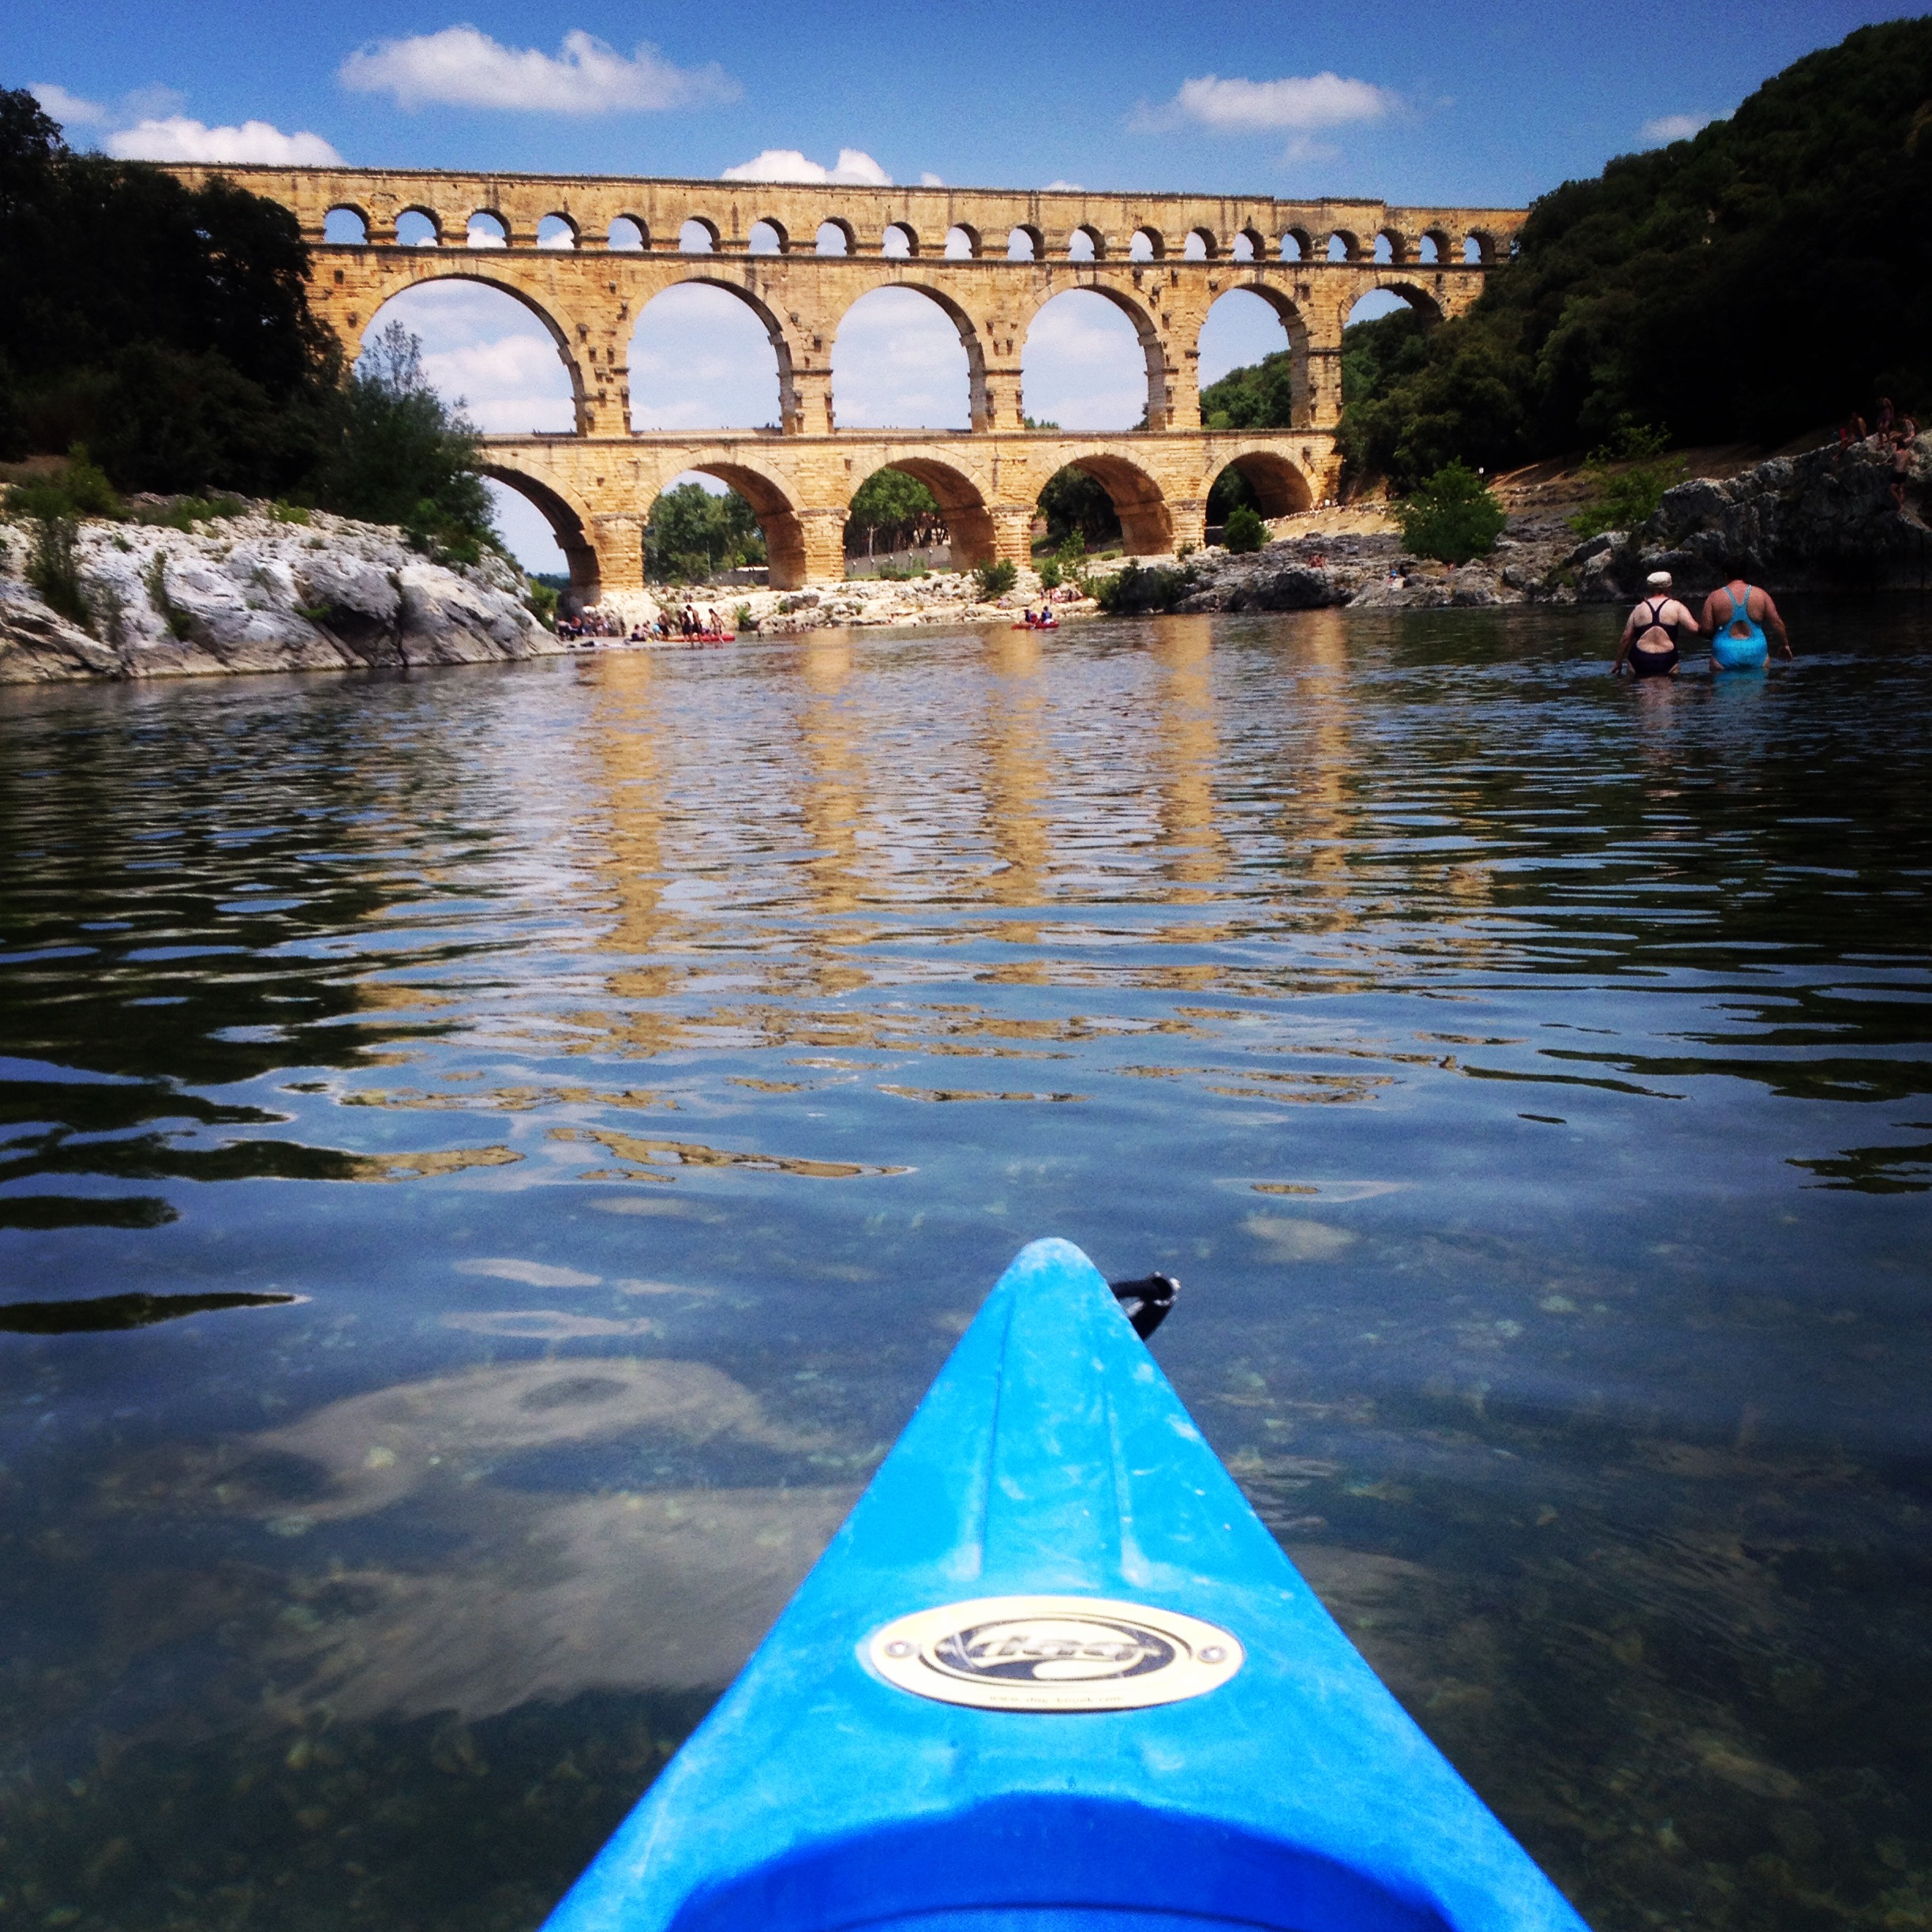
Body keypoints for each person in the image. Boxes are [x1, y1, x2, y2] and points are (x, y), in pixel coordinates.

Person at [1612, 571, 1699, 678]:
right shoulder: (1676, 607)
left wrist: (1618, 662)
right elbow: (1695, 629)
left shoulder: (1639, 609)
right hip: (1666, 658)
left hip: (1640, 658)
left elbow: (1626, 637)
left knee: (1637, 691)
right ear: (1669, 587)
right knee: (1667, 692)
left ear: (1650, 588)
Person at [1700, 575, 1792, 669]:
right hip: (1756, 652)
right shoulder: (1761, 594)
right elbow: (1777, 622)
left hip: (1725, 654)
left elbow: (1706, 629)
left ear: (1725, 575)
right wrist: (1785, 644)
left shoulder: (1715, 597)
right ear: (1744, 574)